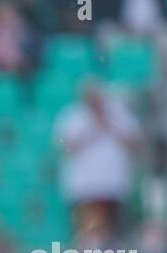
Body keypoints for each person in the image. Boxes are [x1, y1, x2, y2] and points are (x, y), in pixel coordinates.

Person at [54, 80, 143, 236]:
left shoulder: (120, 114)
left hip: (114, 187)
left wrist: (107, 123)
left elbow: (135, 144)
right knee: (88, 236)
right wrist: (93, 127)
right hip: (84, 189)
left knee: (113, 239)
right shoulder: (71, 117)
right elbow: (65, 148)